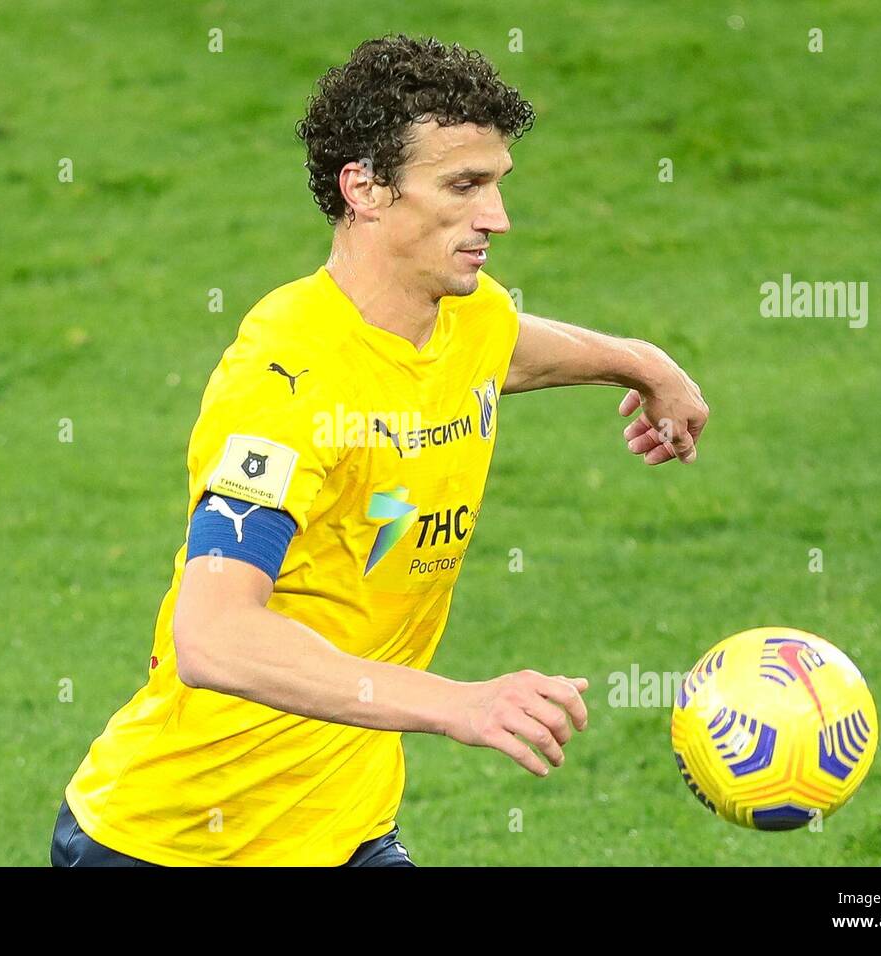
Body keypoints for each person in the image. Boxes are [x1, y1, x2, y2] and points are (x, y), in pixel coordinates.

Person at [52, 34, 708, 867]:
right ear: (364, 188)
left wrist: (644, 364)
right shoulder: (286, 382)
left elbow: (508, 348)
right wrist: (457, 705)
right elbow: (213, 638)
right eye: (463, 187)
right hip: (180, 840)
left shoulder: (464, 315)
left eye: (498, 185)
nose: (497, 218)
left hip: (347, 831)